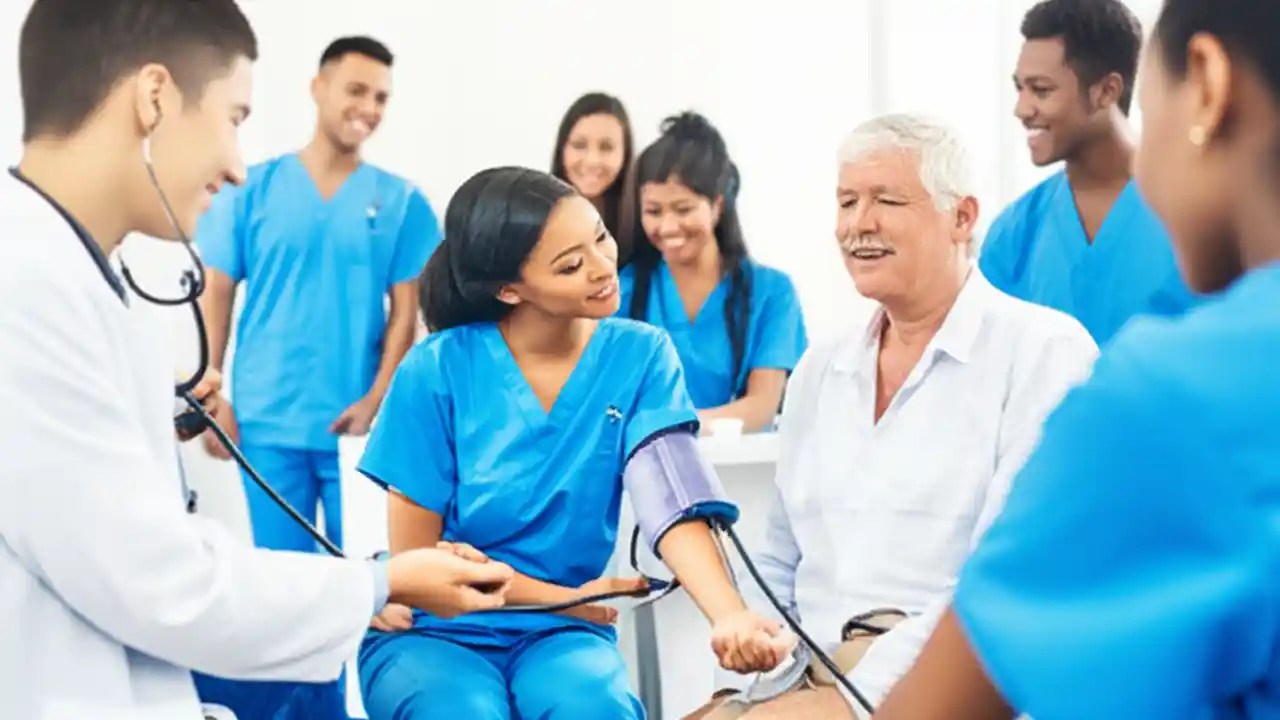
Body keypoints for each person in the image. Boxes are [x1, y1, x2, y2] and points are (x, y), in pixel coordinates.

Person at [0, 2, 513, 719]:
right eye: (234, 118)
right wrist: (378, 582)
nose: (238, 168)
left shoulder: (62, 277)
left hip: (336, 432)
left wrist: (153, 410)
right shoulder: (28, 288)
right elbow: (163, 584)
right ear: (154, 98)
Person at [876, 2, 1280, 718]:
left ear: (1208, 86)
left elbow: (940, 704)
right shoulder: (1020, 233)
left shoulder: (1181, 388)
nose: (1022, 109)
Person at [683, 115, 1099, 720]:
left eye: (887, 200)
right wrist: (753, 647)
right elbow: (779, 558)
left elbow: (1004, 581)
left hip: (943, 684)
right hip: (807, 671)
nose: (858, 224)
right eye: (847, 201)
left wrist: (850, 702)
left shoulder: (1044, 352)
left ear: (962, 217)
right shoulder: (821, 370)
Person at [354, 166, 792, 719]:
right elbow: (424, 567)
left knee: (592, 706)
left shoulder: (641, 356)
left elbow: (671, 494)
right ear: (511, 289)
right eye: (570, 264)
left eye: (601, 238)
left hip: (561, 635)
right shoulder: (436, 369)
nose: (603, 267)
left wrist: (729, 614)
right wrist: (571, 598)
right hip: (438, 630)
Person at [194, 33, 439, 720]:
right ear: (319, 87)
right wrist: (214, 388)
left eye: (382, 97)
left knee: (368, 598)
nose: (368, 107)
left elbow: (406, 313)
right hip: (266, 425)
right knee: (286, 601)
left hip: (358, 436)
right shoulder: (256, 188)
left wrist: (377, 395)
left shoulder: (399, 202)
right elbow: (217, 291)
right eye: (356, 90)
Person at [979, 0, 1197, 345]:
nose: (1021, 109)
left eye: (1041, 90)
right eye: (1019, 88)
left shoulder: (1198, 212)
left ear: (1106, 91)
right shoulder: (1016, 232)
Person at [620, 112, 807, 433]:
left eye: (683, 209)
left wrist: (668, 427)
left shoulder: (772, 293)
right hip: (648, 473)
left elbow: (761, 407)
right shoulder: (621, 292)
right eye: (653, 211)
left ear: (717, 205)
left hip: (745, 474)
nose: (667, 226)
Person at [551, 91, 633, 239]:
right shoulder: (537, 224)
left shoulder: (644, 228)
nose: (592, 160)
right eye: (579, 145)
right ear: (562, 149)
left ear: (625, 154)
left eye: (606, 147)